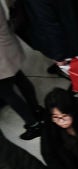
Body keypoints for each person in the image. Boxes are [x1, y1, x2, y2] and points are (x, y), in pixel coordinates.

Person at [0, 3, 44, 140]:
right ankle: (36, 109)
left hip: (2, 58)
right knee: (20, 79)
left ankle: (33, 124)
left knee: (6, 93)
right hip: (8, 47)